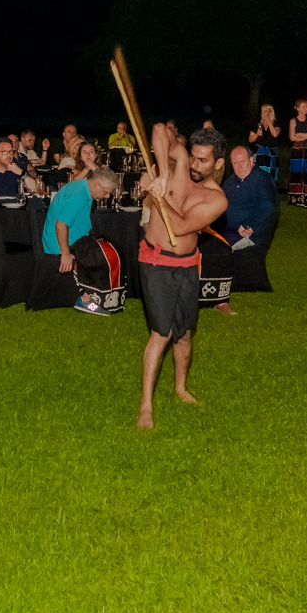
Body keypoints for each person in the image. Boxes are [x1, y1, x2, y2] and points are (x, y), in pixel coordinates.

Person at [134, 124, 230, 429]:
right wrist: (162, 175)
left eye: (203, 161)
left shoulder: (217, 199)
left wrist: (158, 197)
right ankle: (146, 406)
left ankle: (180, 387)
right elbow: (160, 130)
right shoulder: (180, 163)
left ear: (217, 163)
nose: (195, 165)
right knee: (160, 334)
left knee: (185, 333)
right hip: (156, 262)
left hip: (188, 265)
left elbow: (180, 227)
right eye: (193, 157)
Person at [47, 168, 121, 313]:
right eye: (106, 192)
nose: (107, 196)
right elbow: (60, 225)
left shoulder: (80, 186)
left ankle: (94, 295)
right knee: (105, 257)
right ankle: (85, 300)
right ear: (96, 185)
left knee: (110, 248)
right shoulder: (78, 196)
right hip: (62, 242)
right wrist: (65, 253)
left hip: (73, 237)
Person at [223, 145, 278, 250]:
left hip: (248, 233)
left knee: (217, 251)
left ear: (251, 160)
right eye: (235, 163)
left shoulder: (262, 179)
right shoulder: (229, 183)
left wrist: (248, 225)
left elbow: (268, 206)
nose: (239, 166)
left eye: (242, 161)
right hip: (228, 229)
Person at [286, 100, 307, 207]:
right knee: (296, 173)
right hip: (296, 150)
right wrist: (306, 135)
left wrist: (299, 134)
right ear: (298, 109)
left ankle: (306, 197)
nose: (306, 109)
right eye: (303, 107)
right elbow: (292, 137)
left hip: (306, 150)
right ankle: (295, 198)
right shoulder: (293, 121)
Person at [247, 102, 283, 184]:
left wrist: (269, 122)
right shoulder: (258, 125)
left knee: (271, 175)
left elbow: (275, 134)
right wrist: (257, 135)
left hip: (271, 154)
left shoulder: (276, 123)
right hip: (260, 153)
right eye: (262, 111)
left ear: (270, 112)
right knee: (258, 175)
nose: (264, 114)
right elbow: (250, 139)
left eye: (266, 111)